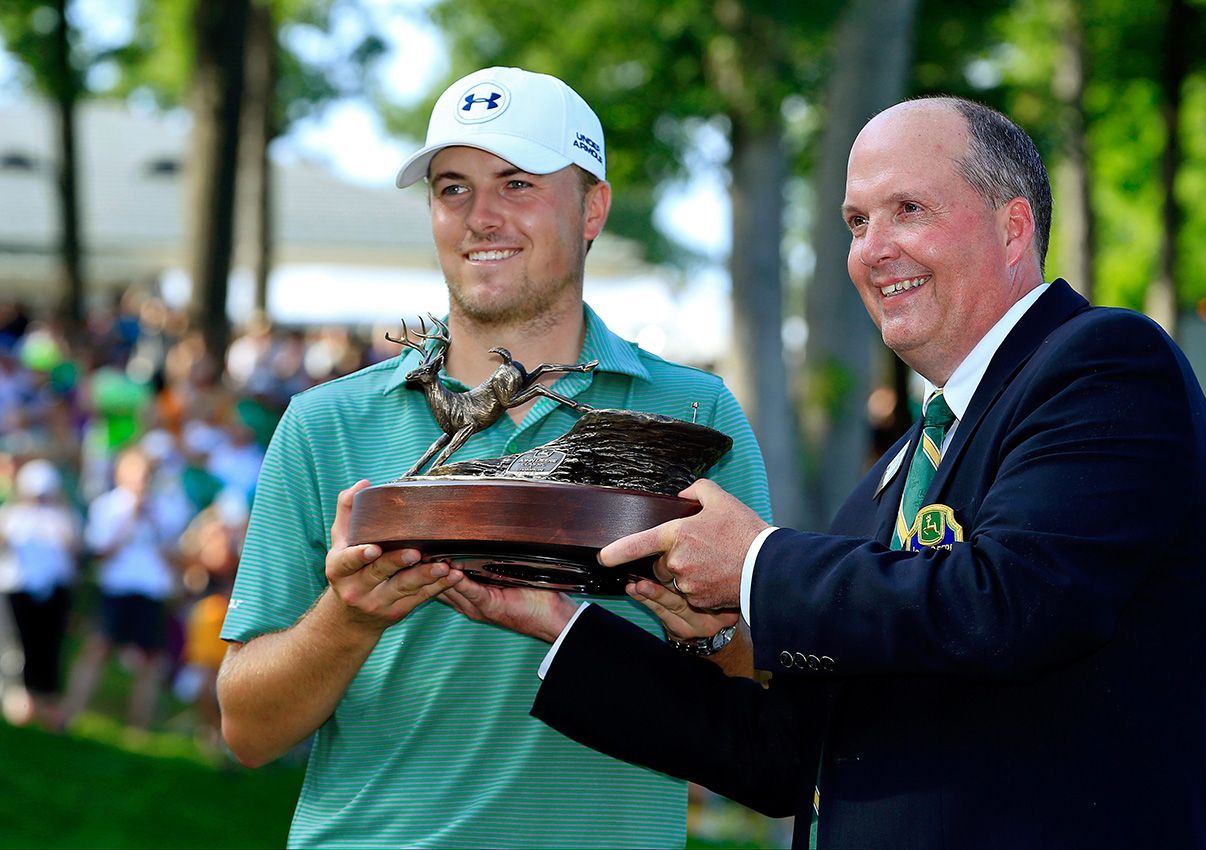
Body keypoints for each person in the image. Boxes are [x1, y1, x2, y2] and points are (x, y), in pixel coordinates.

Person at [442, 96, 1206, 848]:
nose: (872, 249)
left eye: (908, 209)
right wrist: (555, 622)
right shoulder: (891, 479)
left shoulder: (1105, 365)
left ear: (1012, 228)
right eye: (857, 221)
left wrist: (754, 565)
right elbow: (786, 756)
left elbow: (1012, 604)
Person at [215, 66, 771, 849]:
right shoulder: (324, 422)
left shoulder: (695, 413)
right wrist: (348, 618)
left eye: (517, 184)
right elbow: (248, 731)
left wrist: (709, 636)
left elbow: (761, 712)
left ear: (593, 208)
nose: (480, 217)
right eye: (453, 189)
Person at [62, 444, 187, 730]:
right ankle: (71, 712)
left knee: (151, 660)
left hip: (152, 589)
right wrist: (129, 520)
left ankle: (138, 726)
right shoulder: (106, 506)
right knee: (98, 648)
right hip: (116, 587)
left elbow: (175, 555)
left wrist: (153, 523)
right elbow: (100, 554)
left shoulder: (167, 508)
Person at [0, 457, 80, 728]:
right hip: (18, 590)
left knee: (49, 647)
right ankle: (19, 699)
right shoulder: (12, 515)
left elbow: (73, 551)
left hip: (54, 593)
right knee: (18, 646)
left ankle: (48, 701)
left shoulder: (63, 518)